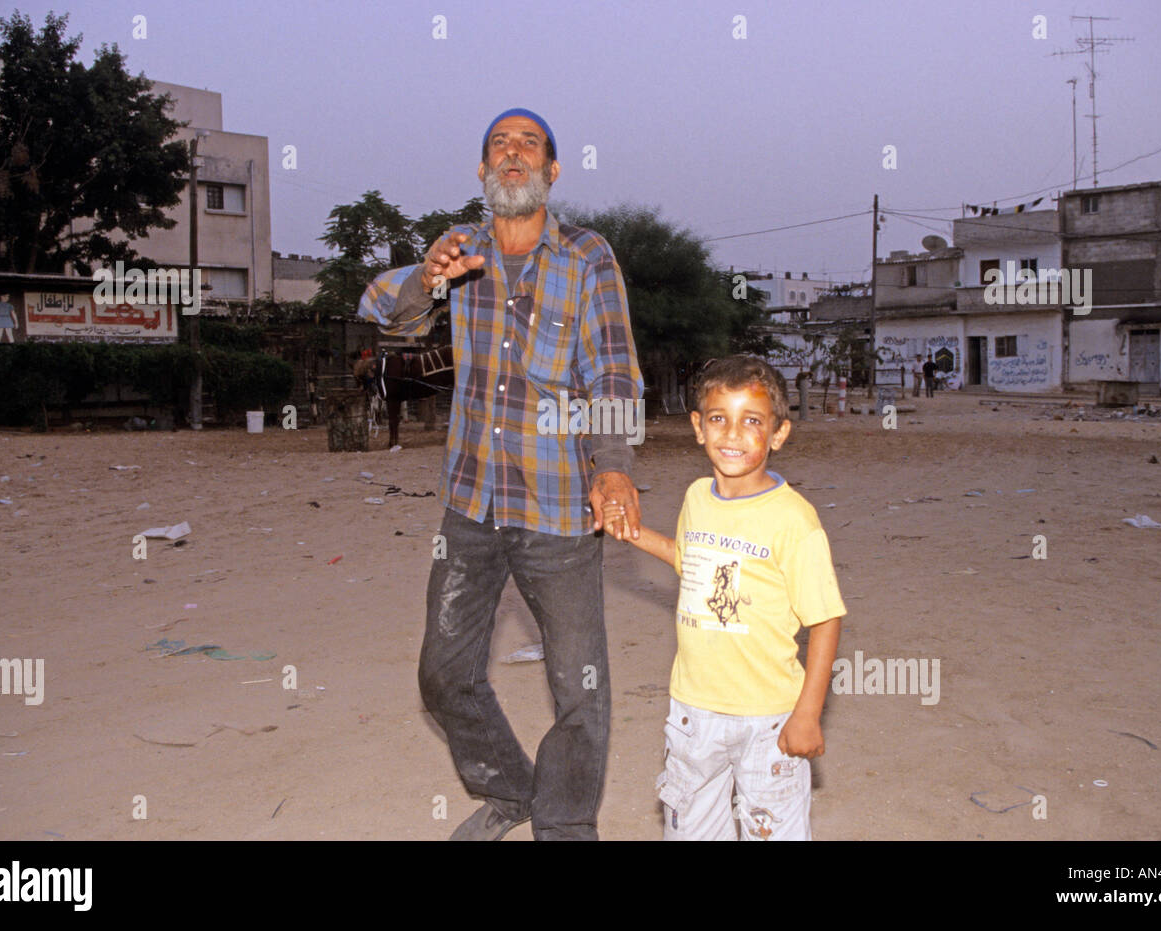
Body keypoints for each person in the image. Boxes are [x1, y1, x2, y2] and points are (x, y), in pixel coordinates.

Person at [357, 108, 643, 841]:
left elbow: (611, 371)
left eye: (529, 145)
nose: (512, 154)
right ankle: (513, 789)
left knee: (579, 689)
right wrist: (427, 276)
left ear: (552, 171)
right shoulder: (459, 253)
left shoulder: (588, 257)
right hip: (471, 505)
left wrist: (611, 469)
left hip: (557, 509)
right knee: (442, 674)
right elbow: (382, 311)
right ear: (482, 172)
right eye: (498, 145)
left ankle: (566, 822)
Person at [603, 356, 845, 840]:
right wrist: (633, 535)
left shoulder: (794, 520)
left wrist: (807, 714)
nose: (732, 435)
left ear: (778, 434)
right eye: (719, 419)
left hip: (770, 720)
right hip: (694, 714)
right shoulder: (697, 496)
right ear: (698, 427)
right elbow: (693, 562)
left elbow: (825, 621)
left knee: (771, 830)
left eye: (751, 421)